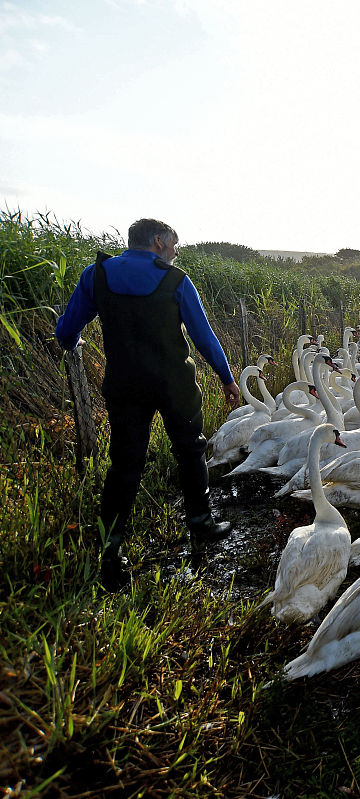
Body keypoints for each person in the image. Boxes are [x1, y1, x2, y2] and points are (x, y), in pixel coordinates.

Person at [54, 219, 239, 590]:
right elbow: (203, 335)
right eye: (174, 244)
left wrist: (72, 342)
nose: (175, 251)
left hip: (124, 386)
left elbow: (66, 330)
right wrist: (226, 377)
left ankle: (111, 547)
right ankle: (201, 525)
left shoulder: (97, 275)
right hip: (175, 385)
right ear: (158, 242)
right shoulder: (175, 280)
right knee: (190, 451)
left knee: (124, 462)